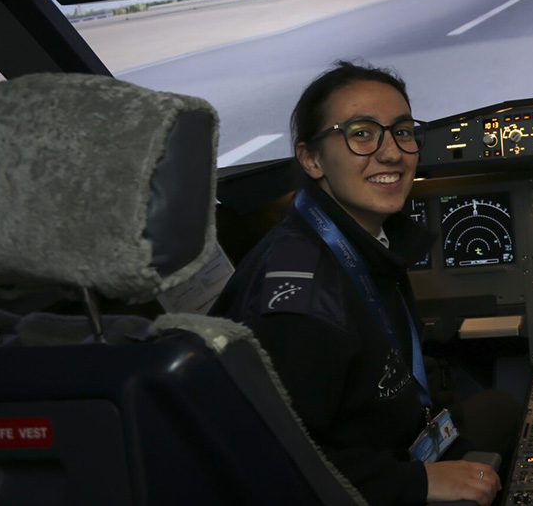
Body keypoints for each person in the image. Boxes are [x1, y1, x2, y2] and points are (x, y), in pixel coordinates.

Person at [211, 61, 508, 506]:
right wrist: (415, 482)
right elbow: (271, 463)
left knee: (501, 407)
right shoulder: (299, 304)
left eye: (402, 131)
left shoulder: (363, 241)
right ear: (312, 159)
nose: (392, 153)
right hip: (361, 481)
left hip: (390, 440)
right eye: (362, 133)